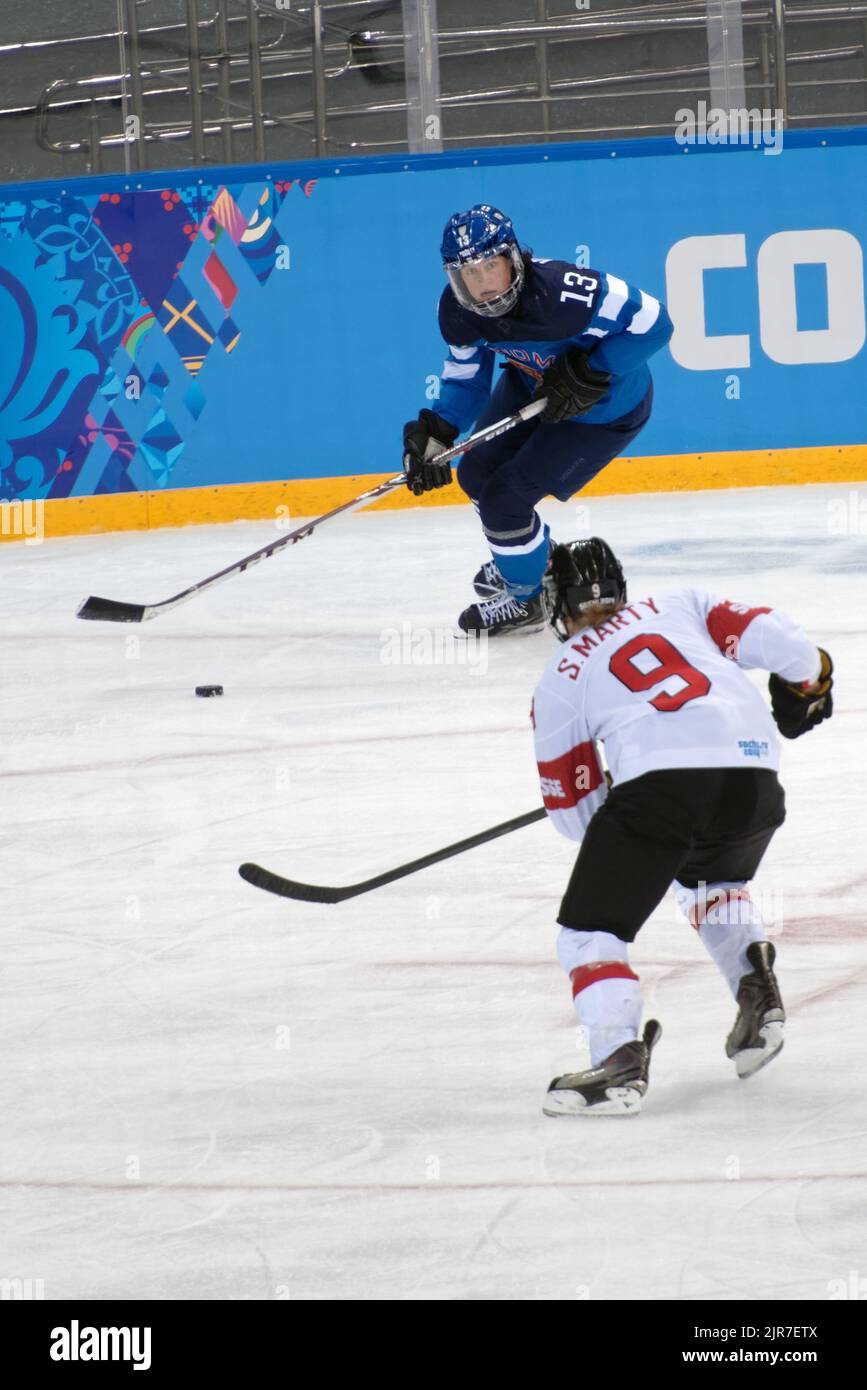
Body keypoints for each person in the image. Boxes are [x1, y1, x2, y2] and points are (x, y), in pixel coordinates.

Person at [531, 539, 834, 1116]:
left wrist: (630, 803)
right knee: (711, 885)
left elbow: (575, 821)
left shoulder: (561, 676)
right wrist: (812, 683)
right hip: (755, 781)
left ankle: (617, 1059)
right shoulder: (680, 603)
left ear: (556, 604)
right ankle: (757, 991)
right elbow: (793, 648)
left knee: (590, 931)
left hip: (662, 792)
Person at [401, 204, 673, 636]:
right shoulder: (457, 310)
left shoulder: (565, 292)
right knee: (474, 473)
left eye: (491, 267)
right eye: (469, 274)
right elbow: (468, 380)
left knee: (504, 503)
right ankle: (534, 562)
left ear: (514, 259)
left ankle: (527, 600)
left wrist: (591, 369)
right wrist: (439, 430)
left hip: (603, 413)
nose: (483, 285)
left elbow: (655, 322)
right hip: (532, 388)